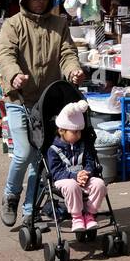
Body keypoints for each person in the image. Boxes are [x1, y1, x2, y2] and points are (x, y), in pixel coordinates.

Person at [0, 0, 84, 227]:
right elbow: (5, 54)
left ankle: (29, 211)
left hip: (47, 102)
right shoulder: (13, 24)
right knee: (23, 153)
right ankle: (11, 196)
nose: (39, 3)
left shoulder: (60, 24)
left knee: (39, 158)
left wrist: (73, 70)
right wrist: (13, 75)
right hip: (19, 98)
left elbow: (67, 53)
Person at [45, 99, 106, 232]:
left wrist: (86, 173)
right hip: (64, 180)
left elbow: (90, 162)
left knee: (99, 184)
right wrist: (74, 176)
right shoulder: (53, 150)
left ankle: (90, 214)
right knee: (72, 185)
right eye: (74, 132)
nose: (78, 135)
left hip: (84, 178)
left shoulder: (84, 145)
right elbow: (56, 172)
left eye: (79, 131)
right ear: (62, 131)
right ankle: (77, 216)